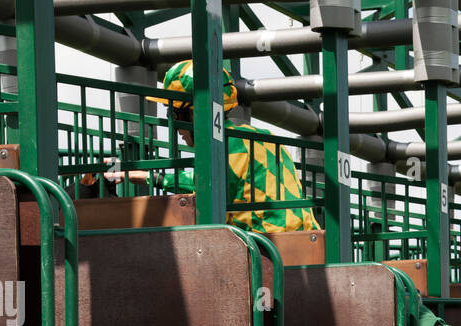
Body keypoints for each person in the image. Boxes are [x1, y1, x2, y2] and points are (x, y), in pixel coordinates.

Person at [107, 62, 320, 233]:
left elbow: (205, 185)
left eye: (173, 113)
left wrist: (147, 176)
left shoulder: (227, 145)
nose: (175, 127)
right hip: (303, 237)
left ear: (193, 112)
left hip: (269, 242)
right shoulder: (262, 137)